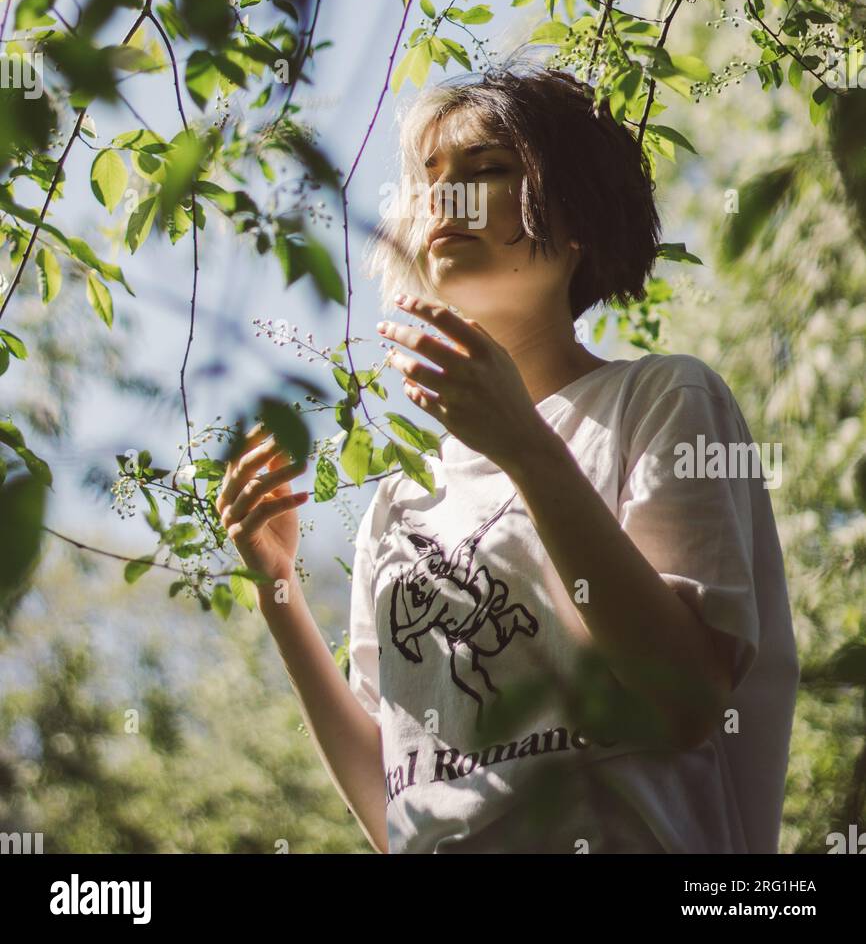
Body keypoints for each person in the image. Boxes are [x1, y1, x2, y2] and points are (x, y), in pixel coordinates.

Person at [217, 56, 799, 855]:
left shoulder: (661, 399)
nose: (443, 197)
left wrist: (525, 447)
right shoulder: (400, 501)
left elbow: (684, 701)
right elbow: (398, 809)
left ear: (578, 216)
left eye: (486, 169)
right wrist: (277, 589)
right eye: (428, 178)